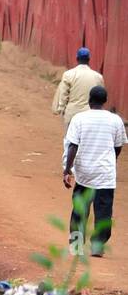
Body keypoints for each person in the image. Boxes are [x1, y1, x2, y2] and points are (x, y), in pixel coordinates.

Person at [63, 85, 125, 257]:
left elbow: (72, 146)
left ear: (89, 100)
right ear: (105, 101)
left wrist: (67, 170)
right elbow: (117, 147)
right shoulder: (116, 120)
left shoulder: (79, 118)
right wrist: (110, 161)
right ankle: (97, 246)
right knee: (104, 212)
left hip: (84, 173)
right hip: (105, 175)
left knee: (79, 210)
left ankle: (76, 245)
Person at [53, 47, 103, 131]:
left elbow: (63, 94)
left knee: (70, 141)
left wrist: (61, 108)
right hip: (90, 115)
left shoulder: (68, 74)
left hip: (72, 114)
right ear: (89, 59)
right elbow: (101, 96)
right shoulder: (98, 77)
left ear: (77, 58)